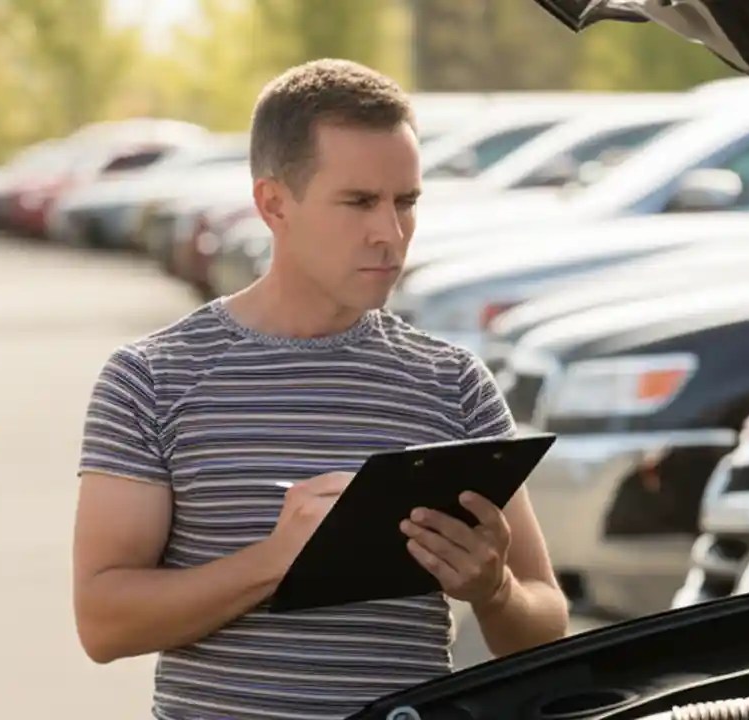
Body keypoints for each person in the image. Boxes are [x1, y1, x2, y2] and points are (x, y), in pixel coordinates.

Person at [71, 58, 570, 720]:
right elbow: (104, 623)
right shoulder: (154, 378)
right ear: (274, 204)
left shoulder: (453, 383)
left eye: (406, 202)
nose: (390, 234)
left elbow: (545, 628)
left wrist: (495, 590)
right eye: (360, 202)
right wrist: (274, 562)